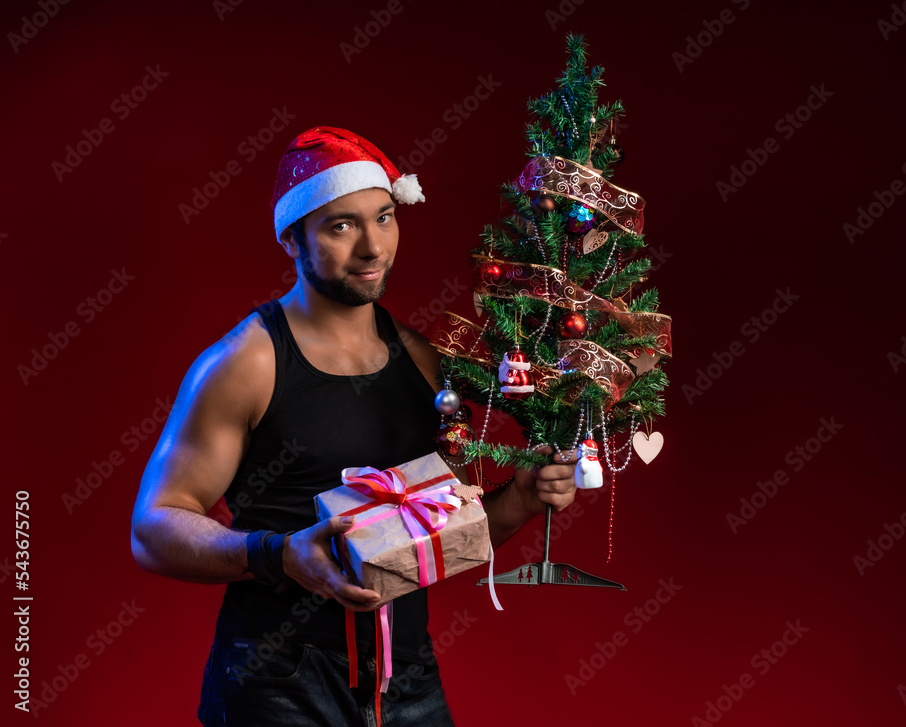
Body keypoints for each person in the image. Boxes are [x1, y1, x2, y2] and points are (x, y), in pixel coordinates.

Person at [130, 127, 578, 726]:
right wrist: (278, 554)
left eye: (385, 218)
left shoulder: (422, 361)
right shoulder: (248, 363)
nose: (372, 247)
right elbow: (153, 529)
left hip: (408, 679)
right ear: (293, 238)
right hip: (277, 681)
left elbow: (440, 535)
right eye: (341, 226)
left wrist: (517, 502)